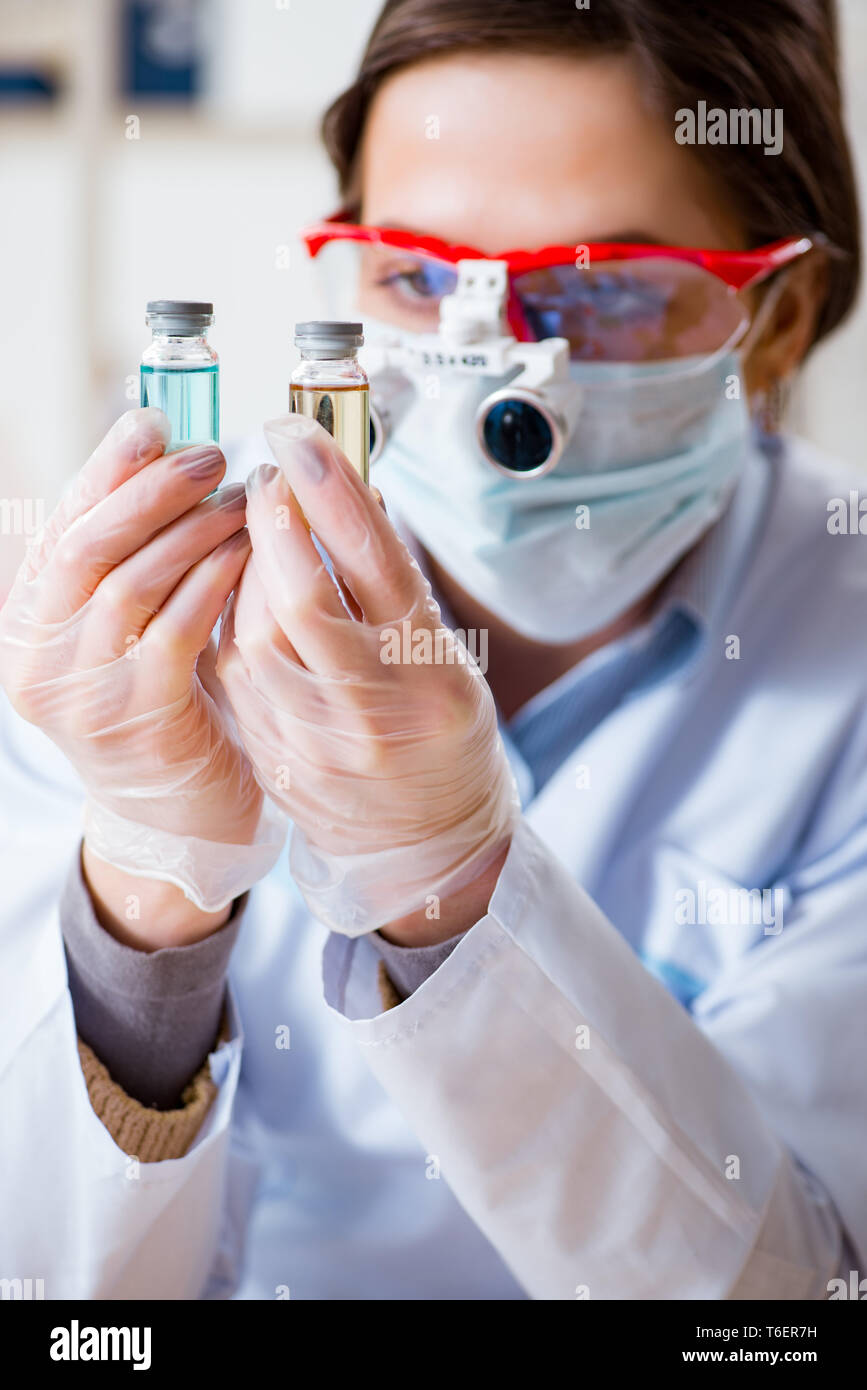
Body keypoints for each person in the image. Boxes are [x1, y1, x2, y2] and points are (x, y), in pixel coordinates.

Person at [0, 0, 864, 1301]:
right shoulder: (147, 615)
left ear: (781, 314)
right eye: (416, 276)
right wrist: (147, 903)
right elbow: (58, 1294)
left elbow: (796, 1299)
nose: (493, 368)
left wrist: (447, 882)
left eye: (600, 289)